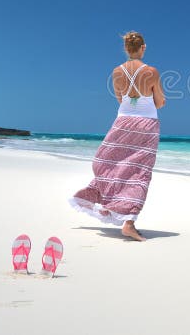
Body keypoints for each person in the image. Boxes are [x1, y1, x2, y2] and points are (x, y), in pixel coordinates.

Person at [68, 31, 166, 241]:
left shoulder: (117, 72)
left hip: (123, 123)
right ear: (143, 48)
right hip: (146, 125)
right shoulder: (151, 72)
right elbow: (159, 102)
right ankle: (129, 223)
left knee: (114, 166)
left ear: (125, 48)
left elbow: (121, 99)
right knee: (139, 172)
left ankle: (114, 208)